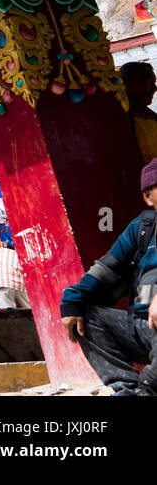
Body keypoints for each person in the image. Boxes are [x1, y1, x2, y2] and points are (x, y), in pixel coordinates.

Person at [60, 159, 157, 395]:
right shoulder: (142, 228)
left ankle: (147, 390)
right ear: (147, 197)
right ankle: (125, 388)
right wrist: (71, 301)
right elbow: (105, 270)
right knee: (86, 315)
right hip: (143, 328)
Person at [122, 61, 157, 163]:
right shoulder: (121, 122)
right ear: (129, 86)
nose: (155, 88)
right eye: (150, 83)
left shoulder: (151, 117)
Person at [0, 227, 29, 309]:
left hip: (4, 283)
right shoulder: (22, 254)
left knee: (6, 310)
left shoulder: (0, 251)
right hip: (21, 284)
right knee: (29, 309)